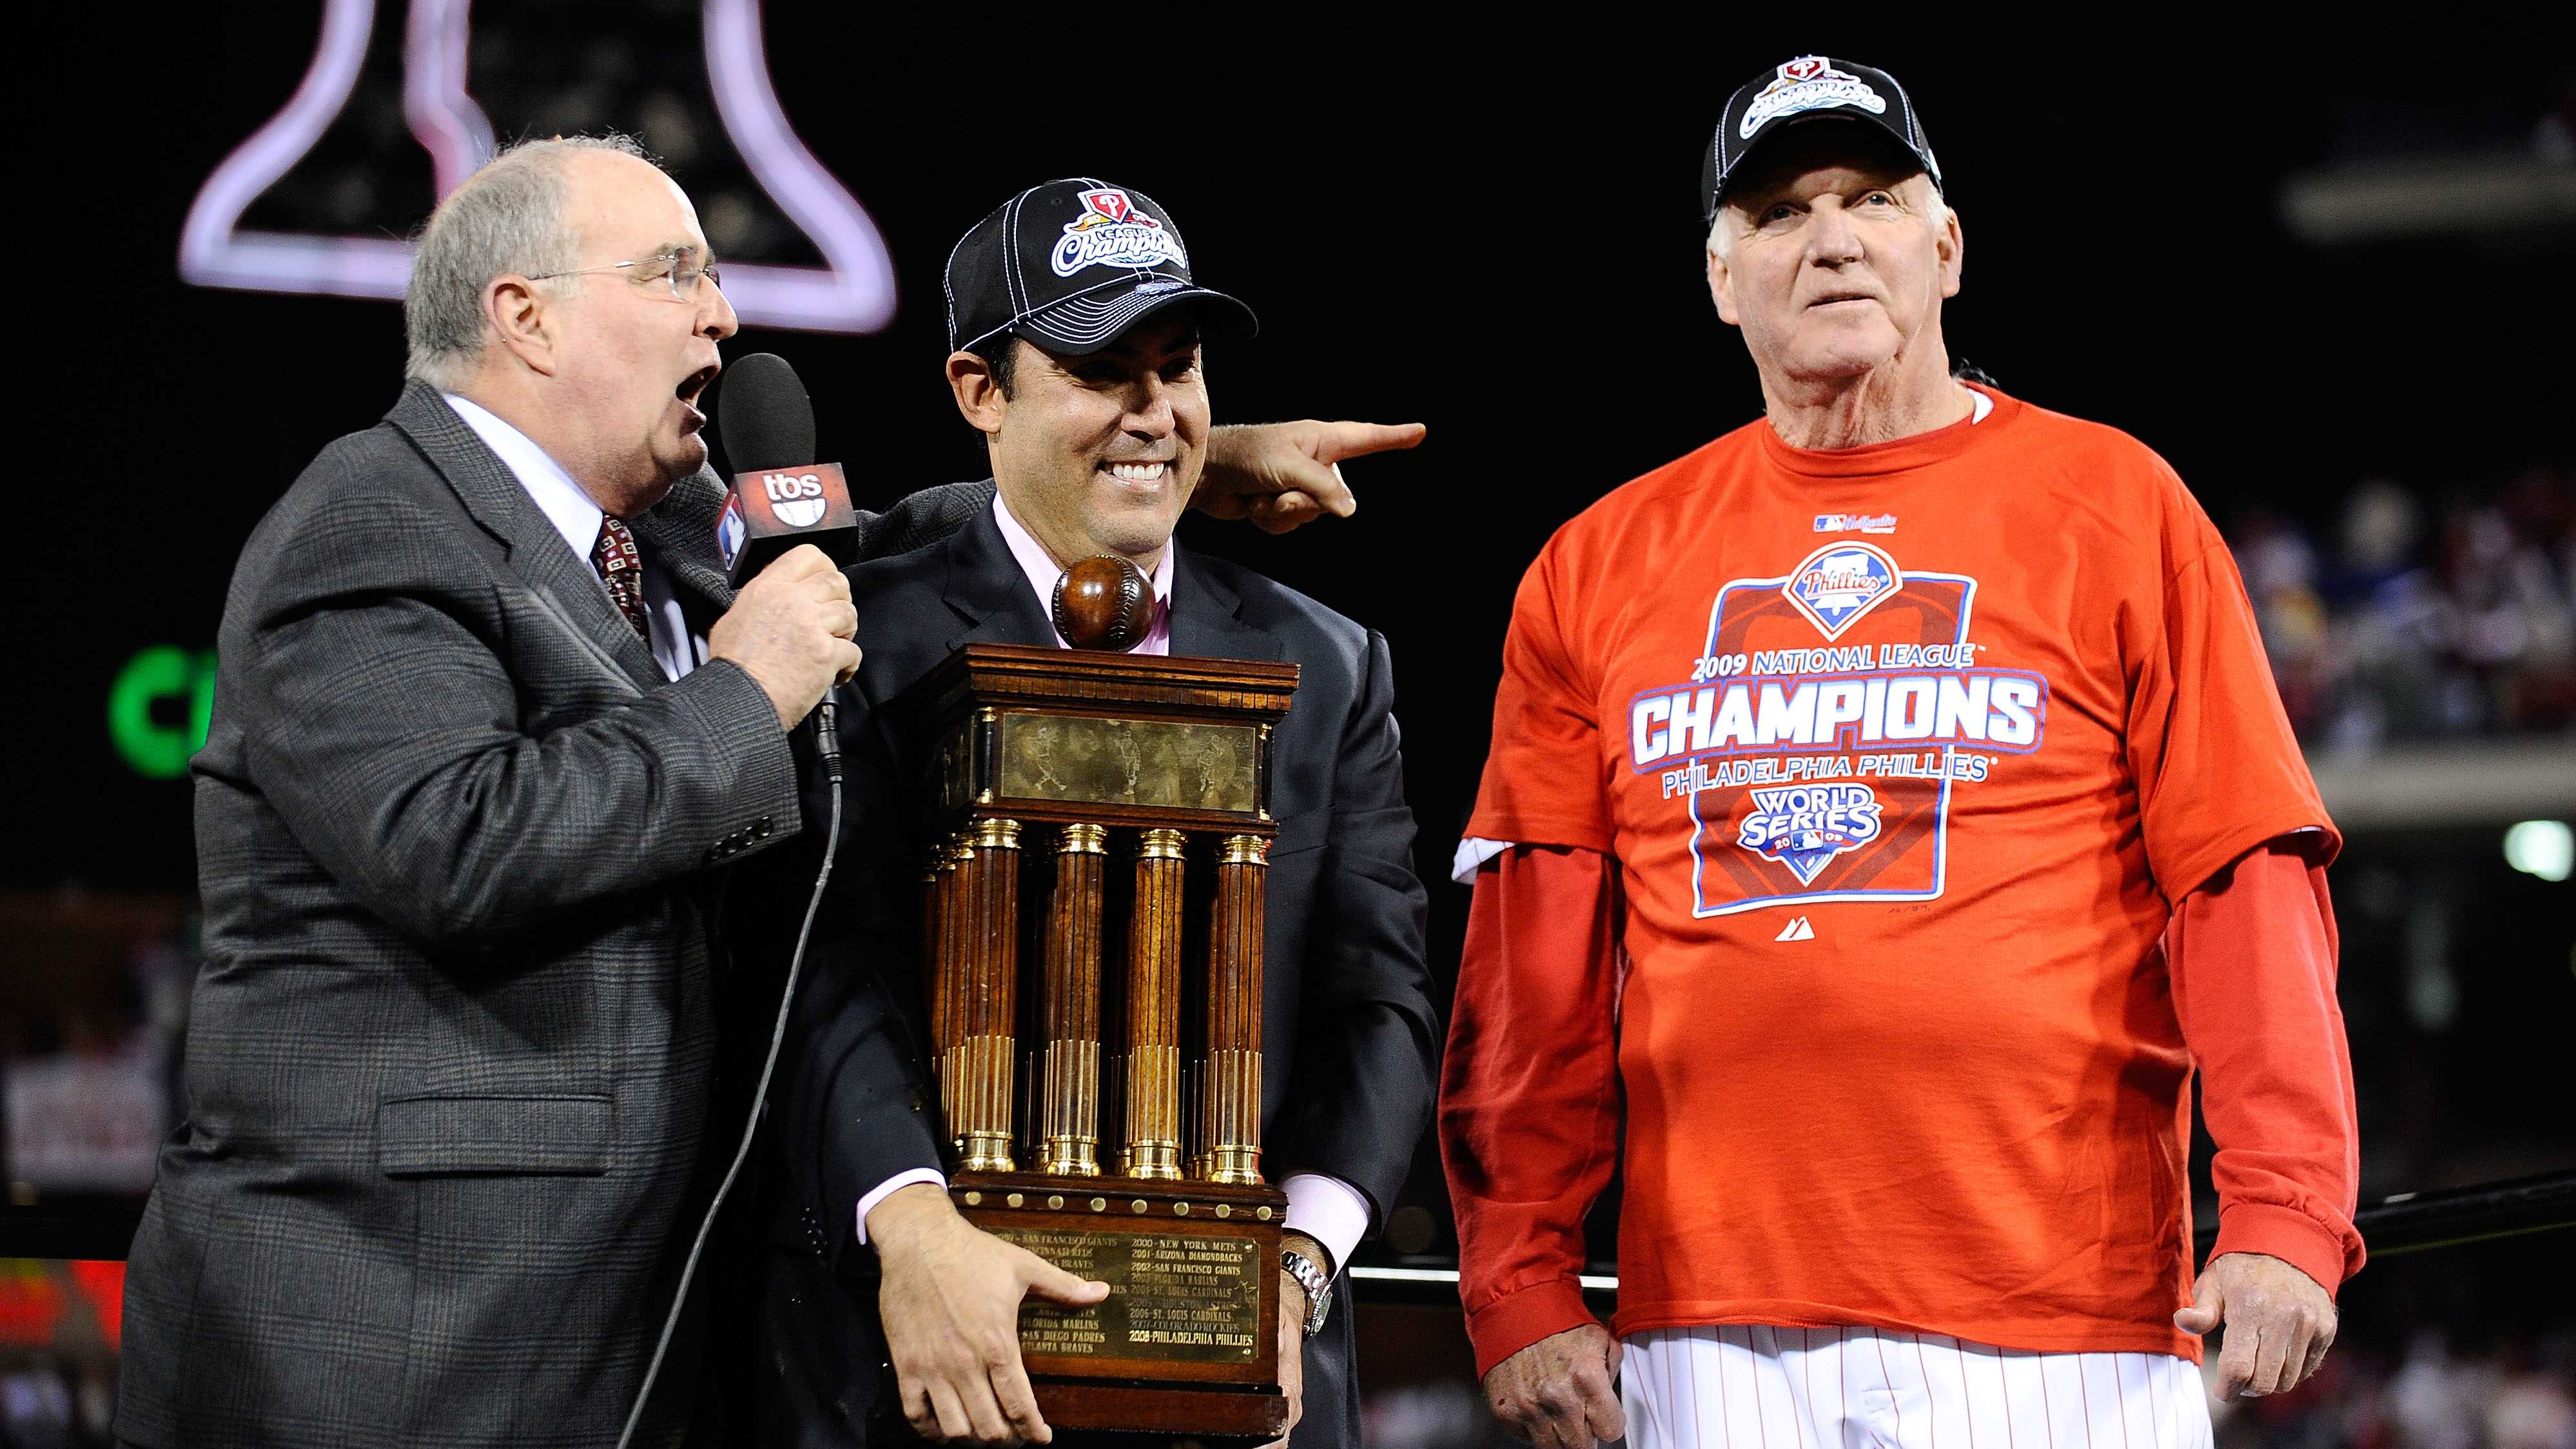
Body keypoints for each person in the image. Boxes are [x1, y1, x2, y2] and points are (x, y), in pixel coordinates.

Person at [116, 135, 1420, 1449]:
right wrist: (743, 698)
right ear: (525, 315)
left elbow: (892, 541)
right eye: (678, 272)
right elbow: (455, 845)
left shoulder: (669, 532)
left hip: (635, 1337)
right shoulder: (371, 521)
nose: (725, 315)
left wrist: (1170, 460)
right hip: (391, 1333)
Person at [1439, 57, 2363, 1449]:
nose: (1829, 238)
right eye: (1778, 211)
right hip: (1710, 1325)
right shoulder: (1596, 563)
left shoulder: (2118, 506)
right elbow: (1534, 963)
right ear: (1718, 275)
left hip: (2066, 1316)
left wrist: (2289, 1202)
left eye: (1873, 197)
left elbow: (2242, 873)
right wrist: (1517, 1274)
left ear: (1946, 247)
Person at [761, 179, 1441, 1449]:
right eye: (1097, 369)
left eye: (1176, 369)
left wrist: (1293, 1269)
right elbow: (824, 966)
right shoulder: (856, 638)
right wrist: (909, 1218)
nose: (1152, 412)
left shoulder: (1333, 660)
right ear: (980, 393)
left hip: (1253, 1381)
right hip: (936, 1370)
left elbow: (1378, 997)